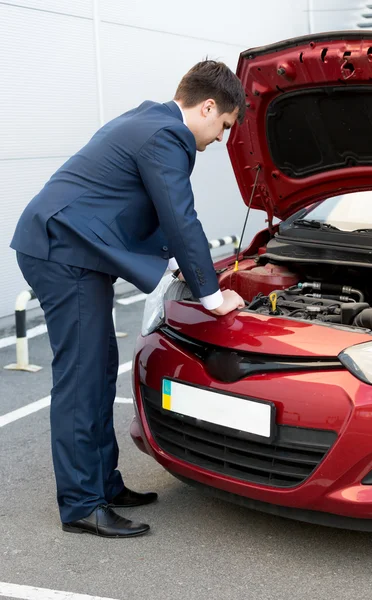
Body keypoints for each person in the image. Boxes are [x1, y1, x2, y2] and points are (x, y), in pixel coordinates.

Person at [10, 60, 246, 538]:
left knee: (98, 370)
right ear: (206, 107)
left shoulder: (149, 119)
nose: (221, 138)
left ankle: (104, 484)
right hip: (61, 253)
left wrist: (179, 263)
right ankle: (81, 503)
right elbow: (181, 217)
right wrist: (213, 296)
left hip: (71, 250)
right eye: (224, 125)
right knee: (82, 379)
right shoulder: (167, 137)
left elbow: (145, 203)